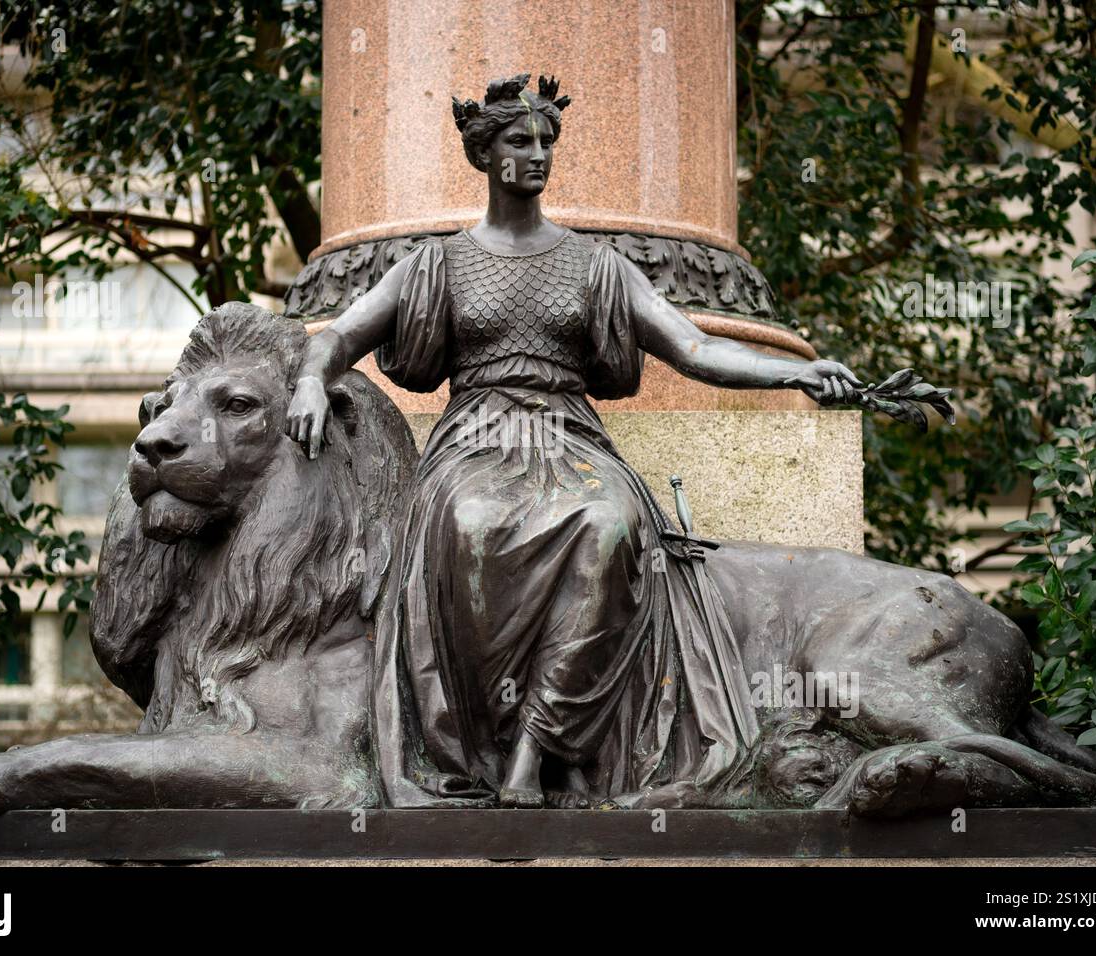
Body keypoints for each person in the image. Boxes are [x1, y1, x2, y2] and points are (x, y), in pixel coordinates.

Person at [287, 73, 861, 808]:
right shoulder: (438, 263)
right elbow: (338, 335)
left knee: (614, 524)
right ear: (484, 153)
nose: (537, 154)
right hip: (476, 440)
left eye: (546, 141)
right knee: (468, 525)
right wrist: (310, 379)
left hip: (573, 441)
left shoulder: (597, 264)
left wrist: (799, 374)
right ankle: (486, 742)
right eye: (519, 141)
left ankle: (535, 749)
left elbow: (694, 348)